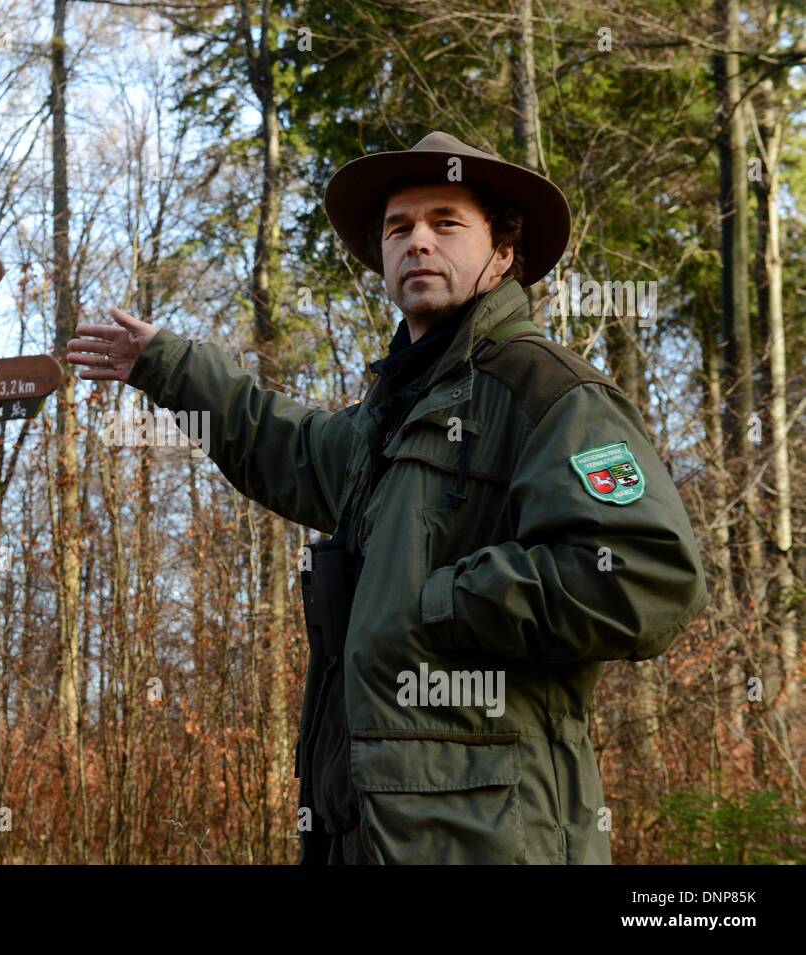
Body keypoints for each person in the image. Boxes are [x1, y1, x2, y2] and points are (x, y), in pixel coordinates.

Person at [66, 131, 707, 864]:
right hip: (361, 832)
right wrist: (167, 366)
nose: (418, 242)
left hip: (491, 837)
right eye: (399, 228)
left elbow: (648, 573)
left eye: (446, 222)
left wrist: (442, 599)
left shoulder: (549, 393)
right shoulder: (390, 416)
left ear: (501, 253)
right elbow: (286, 445)